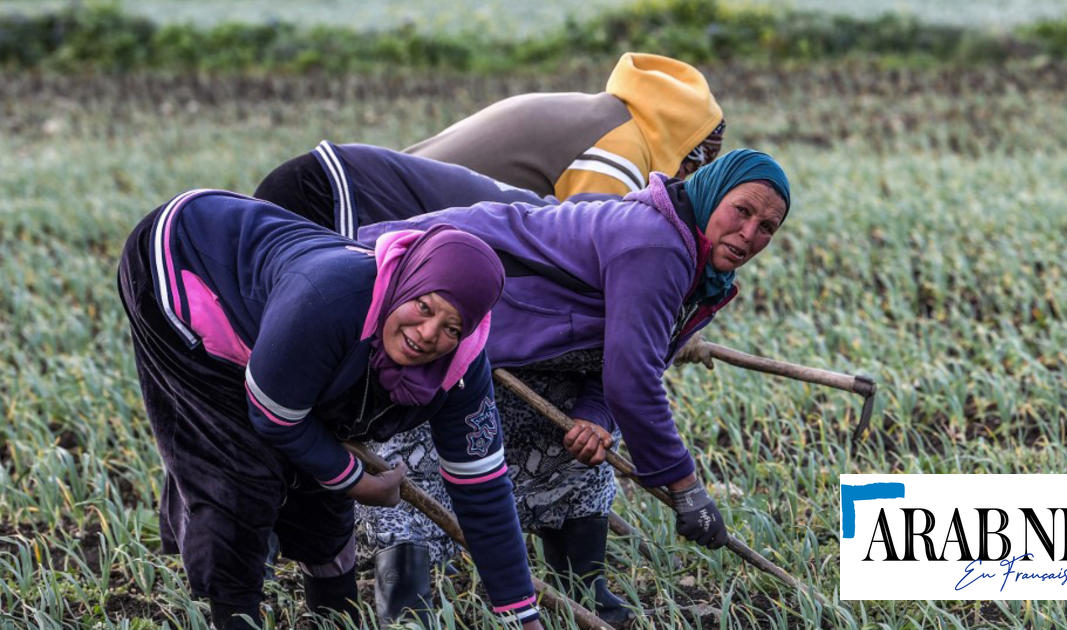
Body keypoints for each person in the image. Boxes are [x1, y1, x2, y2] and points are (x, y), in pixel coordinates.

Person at [256, 147, 790, 626]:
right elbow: (634, 379)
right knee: (414, 450)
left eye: (767, 227)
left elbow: (629, 359)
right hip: (451, 315)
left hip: (534, 353)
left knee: (578, 456)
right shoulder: (655, 243)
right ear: (712, 193)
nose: (749, 235)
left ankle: (584, 587)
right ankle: (407, 607)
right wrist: (686, 489)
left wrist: (595, 417)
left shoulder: (705, 279)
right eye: (741, 211)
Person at [116, 189, 544, 629]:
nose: (428, 333)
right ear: (408, 283)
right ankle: (234, 613)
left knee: (321, 451)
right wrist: (355, 480)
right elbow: (275, 417)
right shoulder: (329, 301)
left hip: (285, 316)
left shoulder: (462, 373)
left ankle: (333, 611)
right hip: (184, 263)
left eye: (451, 327)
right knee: (242, 468)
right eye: (423, 306)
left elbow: (484, 487)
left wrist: (520, 613)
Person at [405, 51, 725, 200]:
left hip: (383, 187)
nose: (683, 178)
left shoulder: (601, 114)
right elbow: (594, 253)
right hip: (392, 222)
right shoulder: (620, 150)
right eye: (691, 164)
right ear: (680, 146)